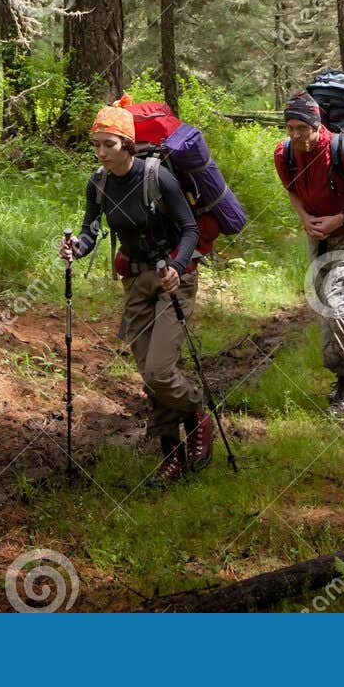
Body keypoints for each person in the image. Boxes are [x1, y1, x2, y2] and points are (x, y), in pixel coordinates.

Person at [59, 103, 214, 486]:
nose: (100, 153)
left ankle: (197, 417)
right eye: (95, 145)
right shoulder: (98, 183)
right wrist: (76, 248)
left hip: (171, 279)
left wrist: (177, 268)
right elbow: (90, 231)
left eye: (107, 144)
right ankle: (171, 455)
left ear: (127, 143)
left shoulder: (158, 178)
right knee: (149, 376)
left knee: (159, 371)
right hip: (135, 282)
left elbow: (190, 229)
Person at [274, 88, 344, 416]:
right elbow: (293, 191)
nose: (296, 136)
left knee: (338, 308)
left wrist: (339, 219)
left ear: (317, 125)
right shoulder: (285, 154)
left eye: (302, 129)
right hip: (318, 234)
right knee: (326, 308)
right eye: (290, 128)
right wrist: (305, 218)